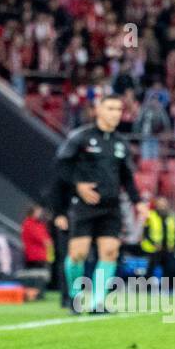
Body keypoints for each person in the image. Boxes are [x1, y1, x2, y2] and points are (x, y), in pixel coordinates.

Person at [51, 94, 143, 313]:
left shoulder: (121, 143)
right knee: (78, 254)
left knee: (110, 252)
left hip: (112, 206)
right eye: (110, 108)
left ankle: (97, 302)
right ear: (98, 110)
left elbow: (127, 177)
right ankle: (75, 297)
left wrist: (137, 201)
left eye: (119, 109)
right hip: (84, 205)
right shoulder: (80, 137)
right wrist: (78, 186)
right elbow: (61, 166)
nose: (115, 113)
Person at [140, 195, 175, 281]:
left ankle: (166, 289)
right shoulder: (150, 216)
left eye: (164, 204)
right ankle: (145, 289)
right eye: (160, 204)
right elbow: (145, 233)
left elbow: (174, 233)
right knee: (150, 269)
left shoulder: (171, 217)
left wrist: (173, 245)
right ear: (156, 205)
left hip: (167, 248)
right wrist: (154, 244)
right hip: (153, 249)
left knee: (169, 269)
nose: (162, 207)